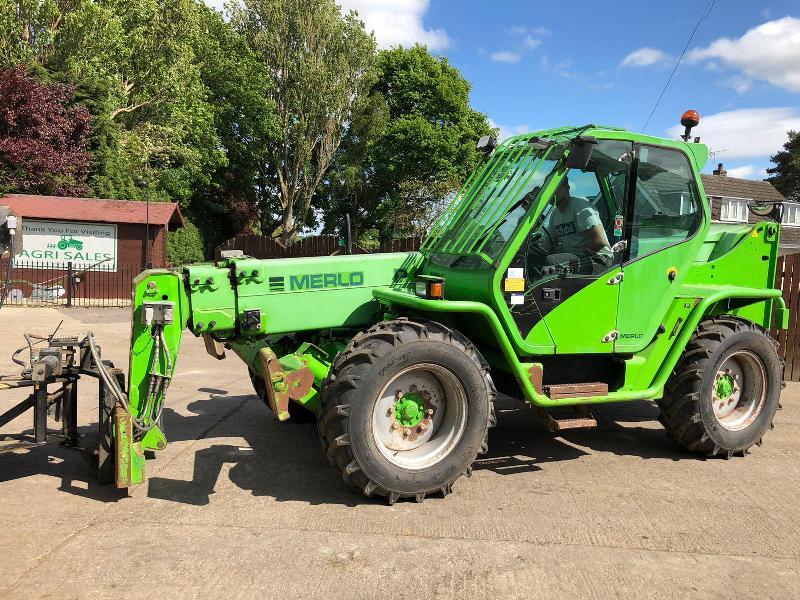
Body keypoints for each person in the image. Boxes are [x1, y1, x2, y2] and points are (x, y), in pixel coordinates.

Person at [533, 176, 612, 274]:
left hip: (598, 260)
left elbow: (600, 241)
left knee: (552, 261)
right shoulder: (555, 214)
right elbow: (547, 243)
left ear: (567, 186)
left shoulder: (580, 207)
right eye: (547, 189)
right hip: (575, 259)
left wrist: (575, 258)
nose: (551, 192)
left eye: (554, 187)